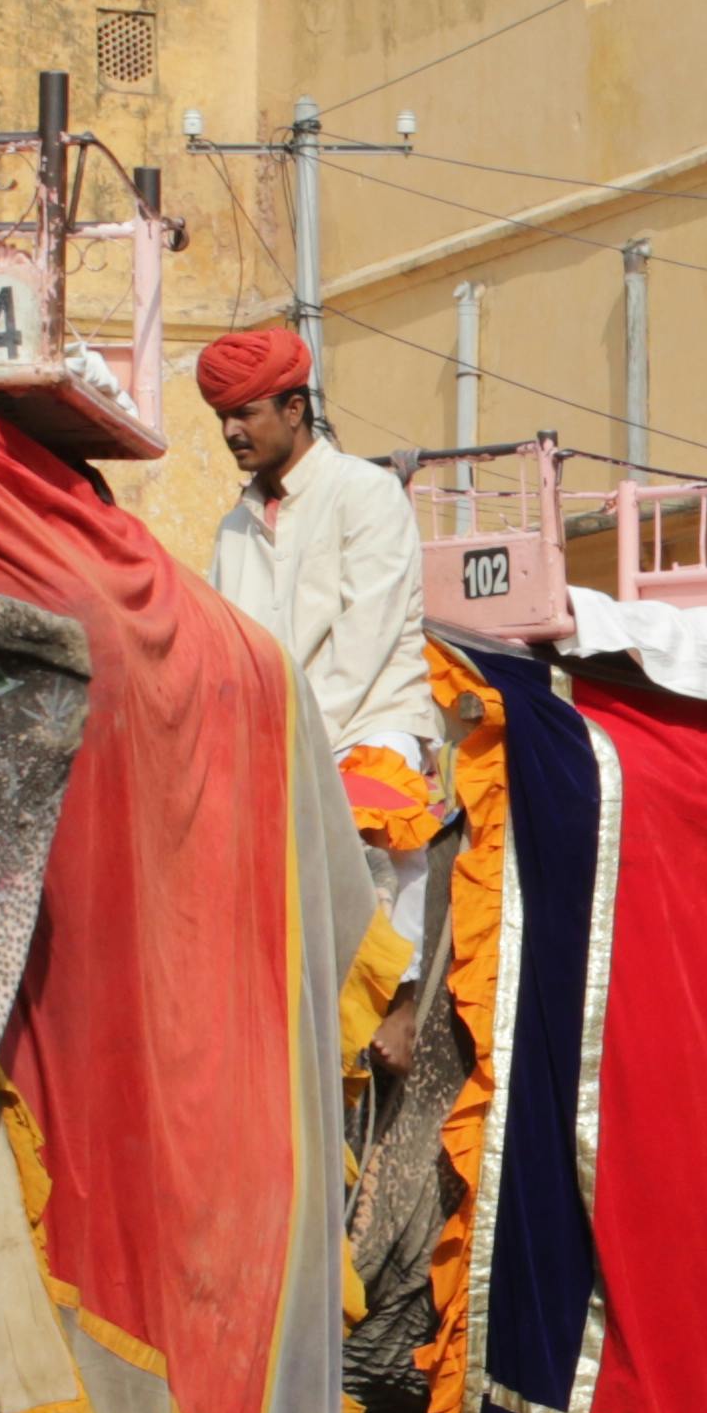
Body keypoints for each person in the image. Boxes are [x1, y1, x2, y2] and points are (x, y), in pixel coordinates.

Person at [197, 319, 438, 949]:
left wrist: (291, 747)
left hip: (365, 720)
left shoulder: (365, 493)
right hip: (273, 744)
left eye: (244, 413)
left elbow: (365, 644)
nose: (230, 432)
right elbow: (227, 651)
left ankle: (402, 1011)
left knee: (379, 839)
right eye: (223, 417)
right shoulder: (234, 528)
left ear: (295, 407)